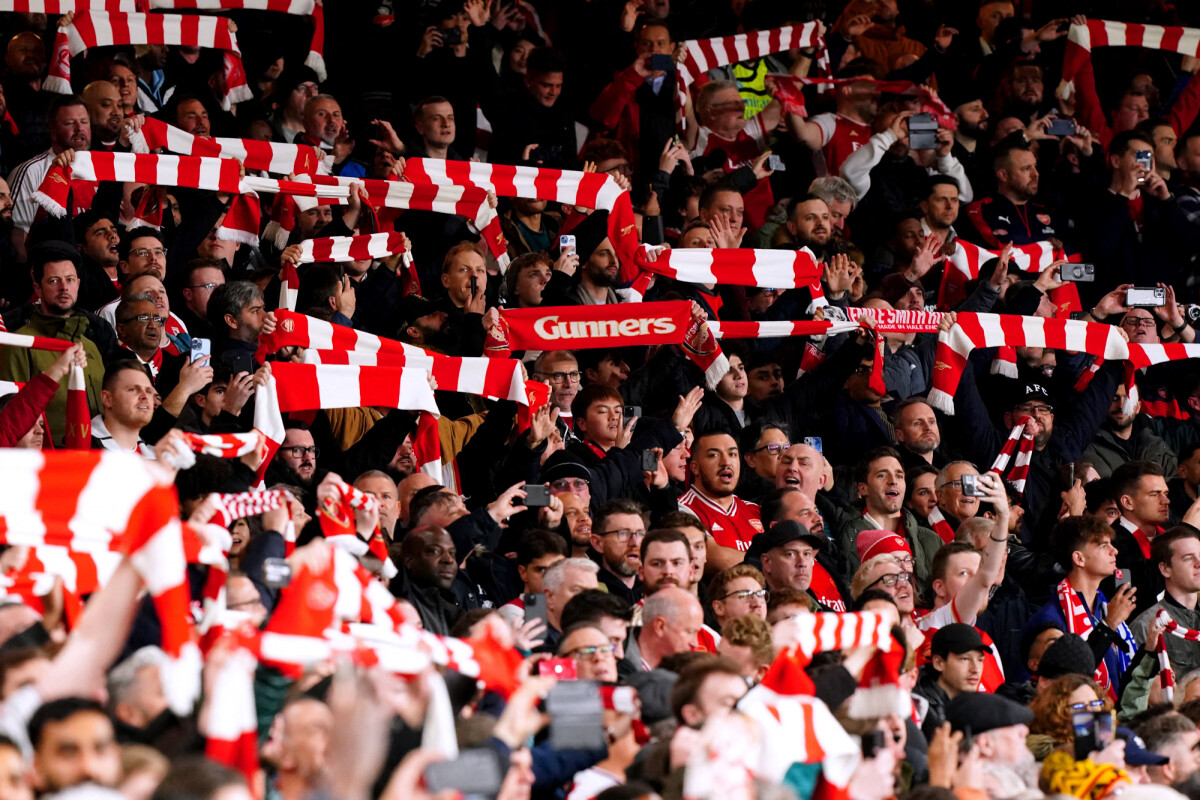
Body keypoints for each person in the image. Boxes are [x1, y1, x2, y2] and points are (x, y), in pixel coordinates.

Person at [0, 242, 106, 446]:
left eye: (70, 280)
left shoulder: (91, 346)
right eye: (54, 280)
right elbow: (11, 414)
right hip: (48, 462)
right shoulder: (20, 344)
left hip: (93, 461)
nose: (64, 287)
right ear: (38, 289)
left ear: (78, 284)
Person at [1025, 516, 1138, 700]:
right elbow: (1065, 681)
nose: (1115, 551)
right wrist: (1108, 626)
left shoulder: (1104, 607)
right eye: (1103, 546)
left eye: (1112, 544)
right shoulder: (1050, 619)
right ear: (1079, 558)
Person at [679, 431, 763, 569]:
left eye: (732, 454)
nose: (726, 462)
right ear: (695, 467)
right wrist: (773, 561)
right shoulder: (683, 510)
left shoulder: (755, 510)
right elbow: (717, 559)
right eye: (714, 455)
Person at [1131, 527, 1200, 683]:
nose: (1199, 563)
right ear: (1165, 569)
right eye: (1188, 558)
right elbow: (1136, 691)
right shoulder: (1146, 626)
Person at [624, 587, 703, 672]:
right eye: (689, 632)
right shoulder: (614, 663)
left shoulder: (690, 672)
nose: (695, 643)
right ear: (660, 626)